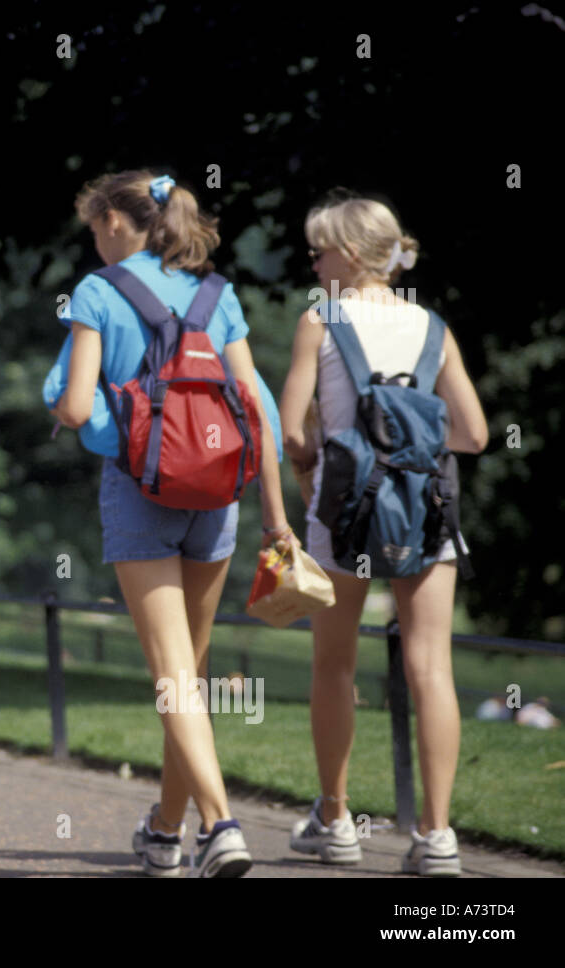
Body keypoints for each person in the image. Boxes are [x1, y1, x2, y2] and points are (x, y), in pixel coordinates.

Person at [52, 170, 295, 877]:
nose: (95, 241)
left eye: (96, 227)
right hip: (219, 498)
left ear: (118, 224)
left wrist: (117, 430)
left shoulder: (99, 292)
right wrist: (276, 521)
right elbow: (259, 413)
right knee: (190, 671)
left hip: (140, 492)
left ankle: (221, 824)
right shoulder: (218, 295)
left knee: (171, 676)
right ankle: (165, 829)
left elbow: (72, 407)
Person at [279, 194, 487, 875]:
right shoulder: (434, 327)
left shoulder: (320, 320)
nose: (313, 259)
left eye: (322, 248)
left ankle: (335, 819)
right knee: (432, 669)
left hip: (345, 510)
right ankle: (436, 836)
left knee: (334, 665)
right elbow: (475, 435)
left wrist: (317, 459)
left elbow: (288, 430)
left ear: (356, 253)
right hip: (427, 510)